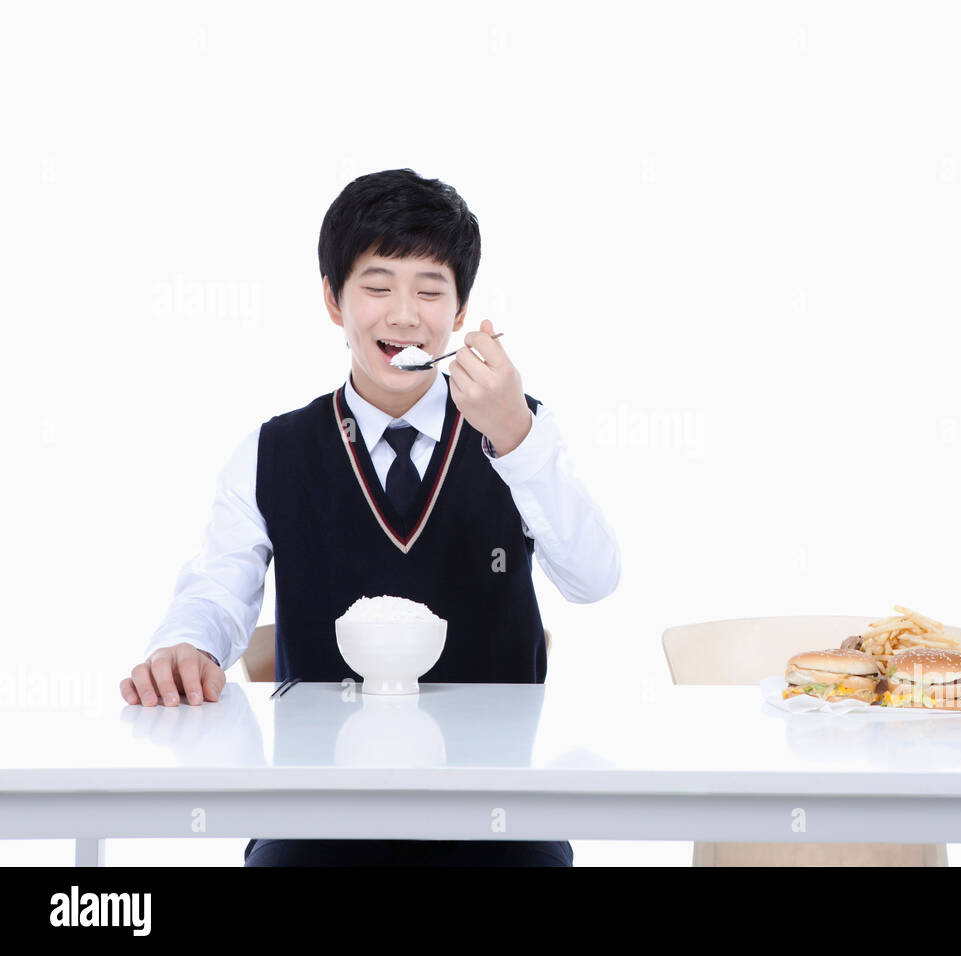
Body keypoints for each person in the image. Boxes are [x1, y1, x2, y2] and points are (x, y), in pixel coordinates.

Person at [120, 169, 621, 866]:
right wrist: (187, 647)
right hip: (317, 806)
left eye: (429, 290)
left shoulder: (518, 429)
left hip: (500, 805)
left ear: (462, 308)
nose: (404, 314)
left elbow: (595, 580)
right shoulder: (273, 450)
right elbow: (215, 592)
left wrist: (515, 437)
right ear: (334, 300)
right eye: (378, 287)